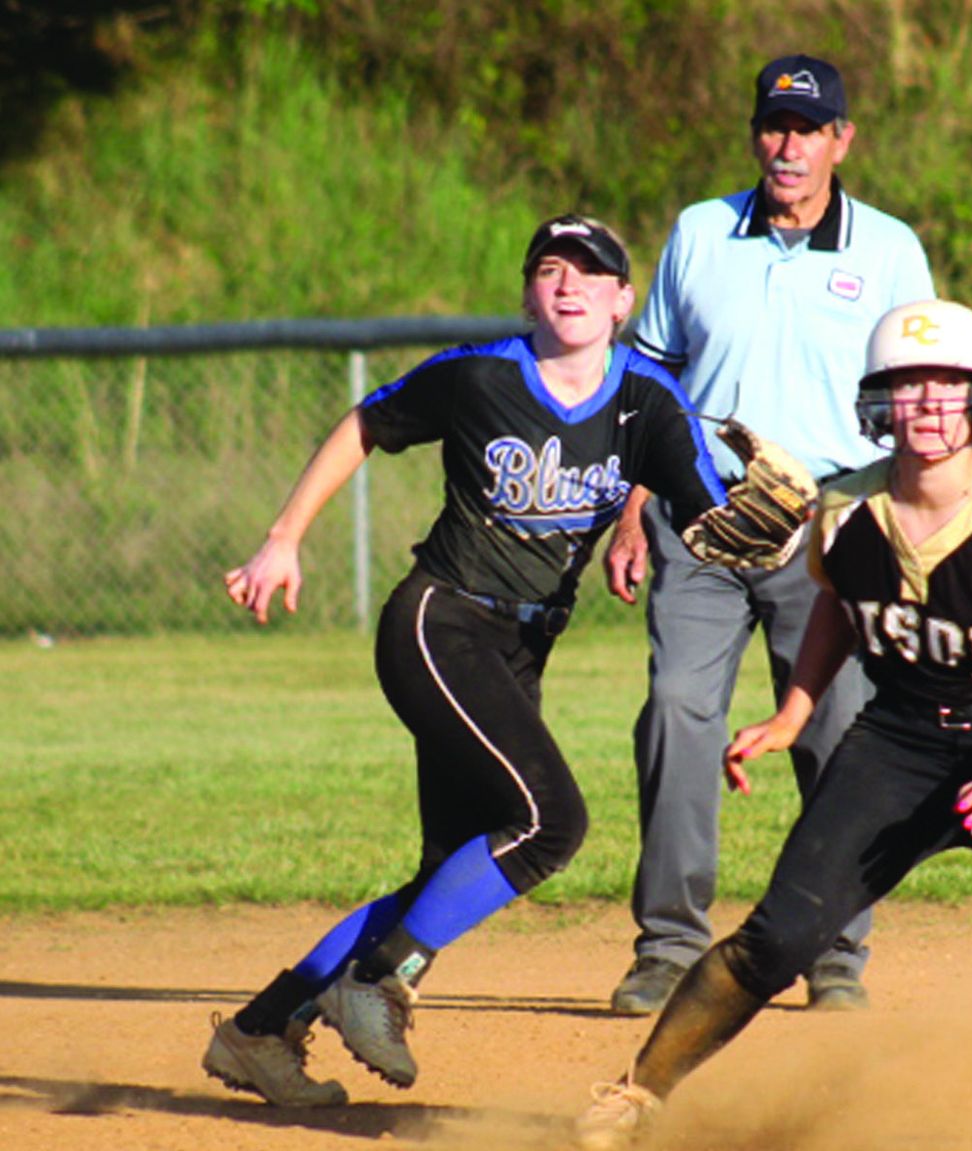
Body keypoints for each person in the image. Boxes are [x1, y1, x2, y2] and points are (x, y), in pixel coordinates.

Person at [574, 300, 972, 1151]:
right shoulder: (846, 511)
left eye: (947, 385)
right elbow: (833, 608)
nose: (928, 403)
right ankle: (636, 1096)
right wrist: (793, 710)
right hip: (897, 740)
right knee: (775, 940)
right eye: (907, 386)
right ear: (878, 404)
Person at [200, 214, 740, 1107]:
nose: (568, 284)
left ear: (622, 301)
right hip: (437, 624)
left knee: (450, 867)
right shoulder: (479, 372)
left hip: (521, 647)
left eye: (589, 271)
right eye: (549, 268)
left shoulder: (647, 400)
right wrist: (282, 538)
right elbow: (366, 425)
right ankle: (377, 981)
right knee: (550, 821)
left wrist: (767, 526)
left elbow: (709, 512)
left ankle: (259, 1032)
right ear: (529, 292)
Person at [602, 52, 935, 1017]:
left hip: (830, 523)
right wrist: (631, 511)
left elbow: (914, 394)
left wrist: (899, 519)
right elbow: (651, 381)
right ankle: (668, 945)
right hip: (700, 514)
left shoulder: (888, 249)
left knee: (838, 728)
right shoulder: (702, 233)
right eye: (774, 126)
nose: (788, 146)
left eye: (809, 128)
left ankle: (835, 949)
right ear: (756, 133)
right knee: (676, 711)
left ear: (843, 140)